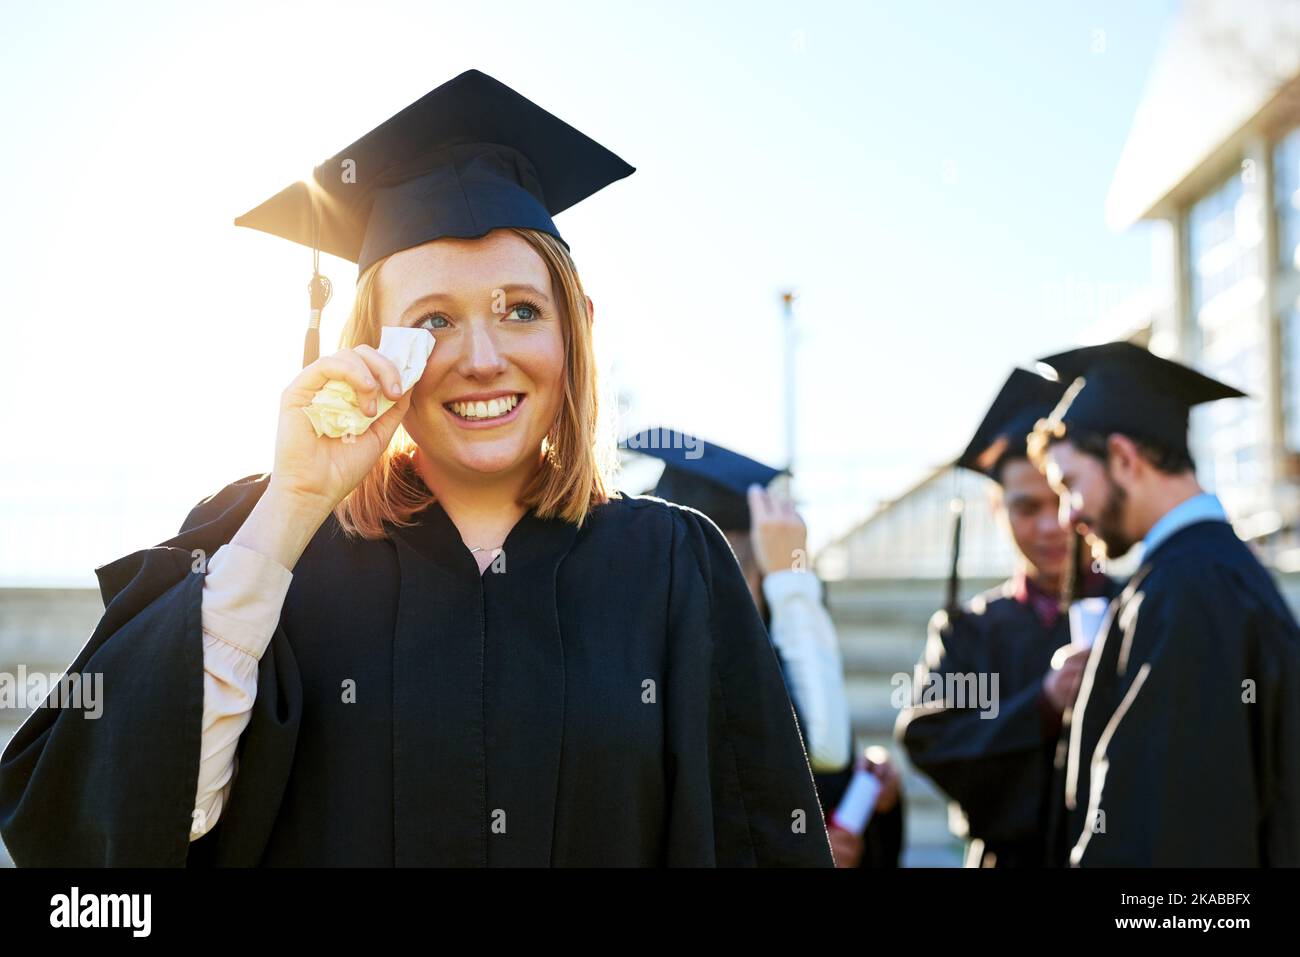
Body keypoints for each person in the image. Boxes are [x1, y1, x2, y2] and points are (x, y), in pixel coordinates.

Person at [0, 70, 833, 868]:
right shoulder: (263, 542)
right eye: (433, 320)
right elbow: (105, 831)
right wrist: (290, 509)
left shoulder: (672, 568)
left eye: (520, 310)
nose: (482, 356)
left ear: (575, 327)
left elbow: (757, 842)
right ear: (375, 345)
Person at [1029, 340, 1300, 867]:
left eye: (1070, 484)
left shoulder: (1189, 590)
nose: (1066, 518)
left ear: (1124, 458)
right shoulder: (1218, 573)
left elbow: (1169, 834)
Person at [625, 429, 904, 868]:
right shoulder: (654, 664)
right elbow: (822, 748)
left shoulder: (773, 646)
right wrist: (794, 587)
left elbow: (828, 764)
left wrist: (870, 790)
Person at [896, 368, 1117, 868]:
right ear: (997, 509)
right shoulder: (969, 629)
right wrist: (1042, 703)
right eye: (1025, 507)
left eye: (1062, 499)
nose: (1050, 525)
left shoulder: (1138, 607)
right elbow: (932, 742)